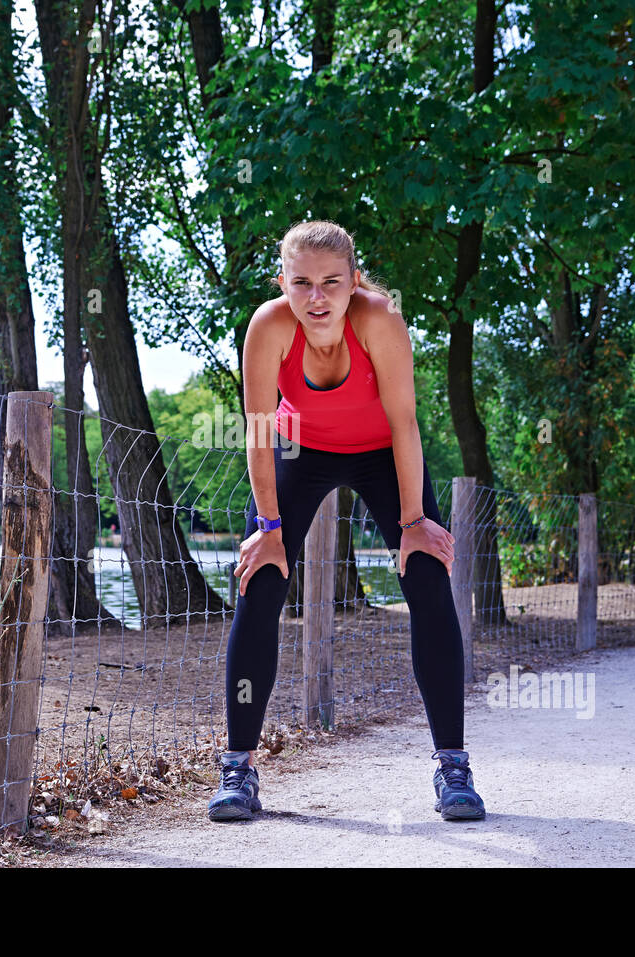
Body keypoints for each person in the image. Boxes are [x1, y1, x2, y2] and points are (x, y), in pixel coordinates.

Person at [209, 219, 485, 823]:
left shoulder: (380, 319)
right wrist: (271, 530)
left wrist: (414, 521)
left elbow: (406, 423)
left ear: (354, 281)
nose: (316, 297)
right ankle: (238, 770)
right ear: (282, 282)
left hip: (383, 453)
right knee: (260, 583)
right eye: (301, 282)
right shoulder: (268, 326)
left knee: (429, 581)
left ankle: (454, 767)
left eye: (332, 281)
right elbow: (257, 430)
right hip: (298, 452)